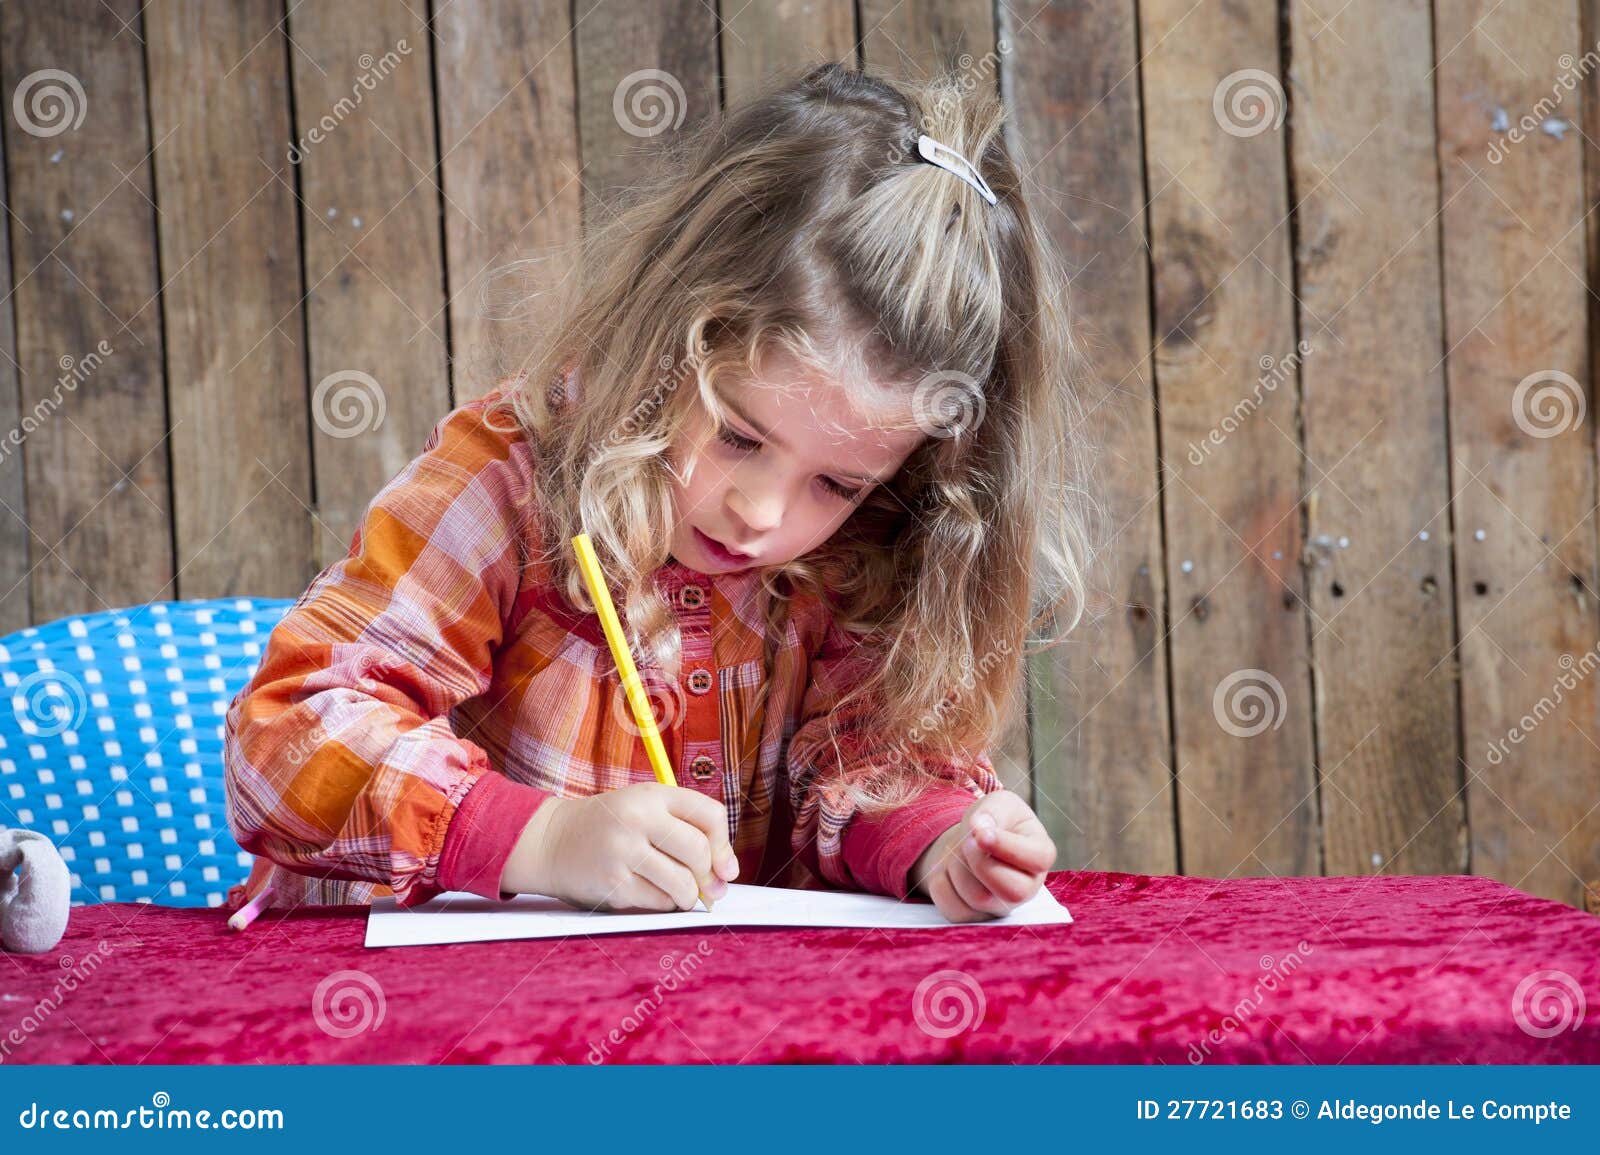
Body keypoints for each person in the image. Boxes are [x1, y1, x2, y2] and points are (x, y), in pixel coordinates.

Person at [223, 60, 1102, 923]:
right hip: (426, 1024)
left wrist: (942, 842)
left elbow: (869, 765)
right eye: (738, 435)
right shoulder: (505, 482)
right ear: (663, 341)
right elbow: (282, 738)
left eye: (834, 481)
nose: (761, 515)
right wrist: (542, 838)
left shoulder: (864, 543)